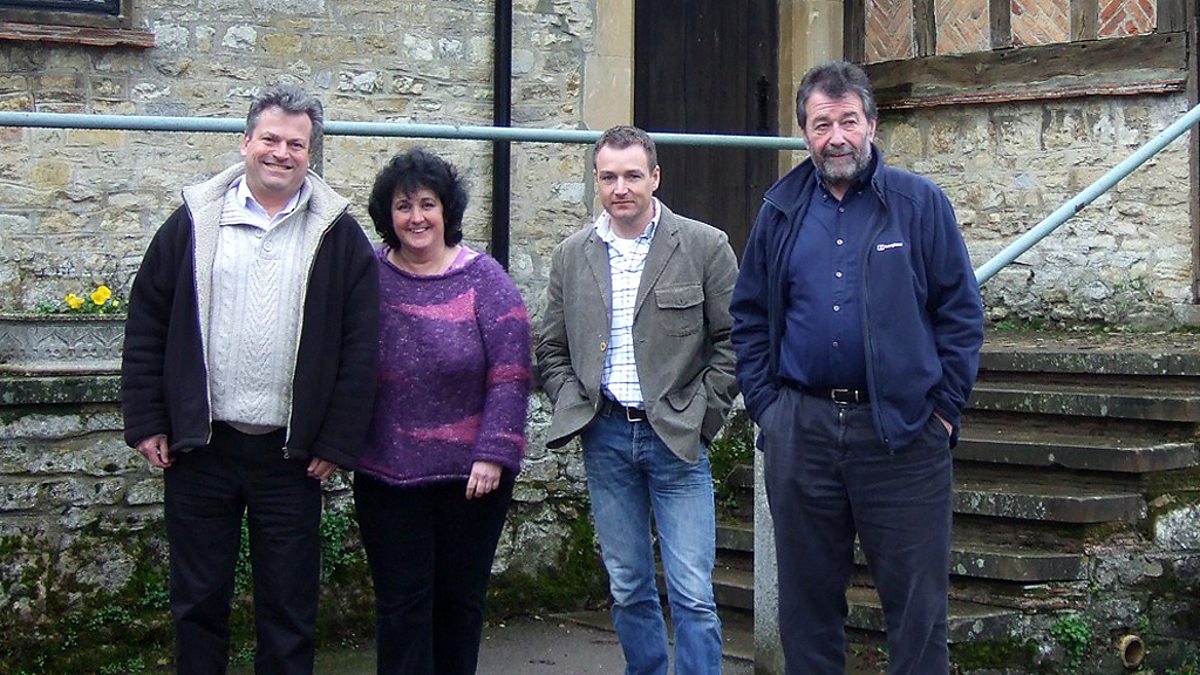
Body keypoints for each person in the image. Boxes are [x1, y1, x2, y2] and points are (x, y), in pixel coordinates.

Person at [729, 60, 985, 675]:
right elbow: (749, 314)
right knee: (806, 611)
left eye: (848, 121)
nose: (836, 137)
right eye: (822, 125)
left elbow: (960, 314)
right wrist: (770, 411)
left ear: (872, 124)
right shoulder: (780, 211)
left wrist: (942, 413)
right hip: (803, 434)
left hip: (903, 435)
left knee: (918, 615)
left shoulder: (919, 206)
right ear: (805, 133)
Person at [120, 84, 380, 674]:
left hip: (290, 459)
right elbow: (148, 322)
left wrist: (336, 440)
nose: (281, 153)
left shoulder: (339, 236)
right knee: (197, 604)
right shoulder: (193, 223)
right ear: (245, 142)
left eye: (296, 144)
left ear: (310, 153)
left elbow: (361, 346)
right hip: (201, 447)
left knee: (289, 611)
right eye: (270, 139)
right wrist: (148, 420)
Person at [536, 125, 739, 675]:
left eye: (632, 175)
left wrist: (704, 416)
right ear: (596, 181)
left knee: (692, 590)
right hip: (605, 436)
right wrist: (572, 399)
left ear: (655, 177)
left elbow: (735, 340)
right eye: (608, 177)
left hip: (677, 437)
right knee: (627, 584)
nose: (620, 188)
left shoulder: (704, 246)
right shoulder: (571, 255)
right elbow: (550, 346)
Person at [353, 148, 532, 675]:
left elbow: (512, 374)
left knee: (458, 606)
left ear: (446, 210)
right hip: (386, 476)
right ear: (388, 215)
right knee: (400, 609)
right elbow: (336, 356)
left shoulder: (485, 280)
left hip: (471, 481)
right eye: (403, 206)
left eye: (427, 204)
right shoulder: (366, 277)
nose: (416, 217)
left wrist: (493, 453)